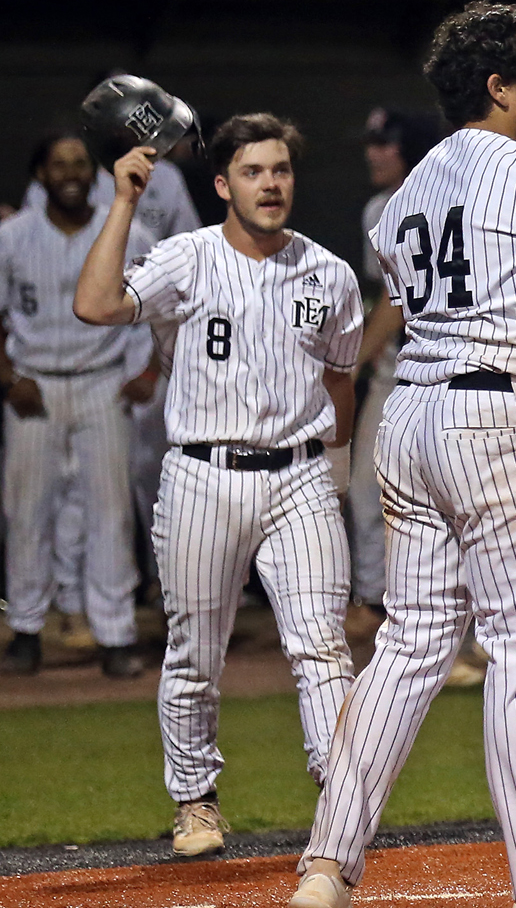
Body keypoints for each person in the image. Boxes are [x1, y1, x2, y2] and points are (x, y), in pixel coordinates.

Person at [290, 1, 516, 908]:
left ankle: (326, 866)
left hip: (415, 414)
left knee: (408, 645)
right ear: (498, 84)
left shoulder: (406, 197)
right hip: (503, 413)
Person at [74, 115, 362, 858]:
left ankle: (341, 793)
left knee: (322, 647)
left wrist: (335, 471)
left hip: (299, 475)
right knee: (196, 653)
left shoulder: (328, 273)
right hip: (204, 476)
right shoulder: (187, 258)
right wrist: (124, 204)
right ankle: (195, 801)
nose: (270, 183)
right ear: (222, 184)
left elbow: (340, 383)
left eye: (281, 170)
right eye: (253, 171)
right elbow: (98, 306)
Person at [0, 133, 152, 679]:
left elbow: (163, 303)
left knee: (109, 512)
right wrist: (7, 378)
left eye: (80, 164)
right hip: (34, 384)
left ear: (96, 174)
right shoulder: (12, 237)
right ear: (39, 174)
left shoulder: (127, 231)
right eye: (58, 164)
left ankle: (114, 635)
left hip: (101, 382)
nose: (70, 172)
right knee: (26, 513)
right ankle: (26, 630)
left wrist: (148, 370)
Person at [346, 107, 439, 626]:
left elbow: (396, 301)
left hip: (444, 367)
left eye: (385, 143)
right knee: (367, 491)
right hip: (395, 370)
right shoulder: (376, 210)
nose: (373, 153)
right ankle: (376, 602)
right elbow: (386, 296)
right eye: (372, 143)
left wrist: (348, 363)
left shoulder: (443, 201)